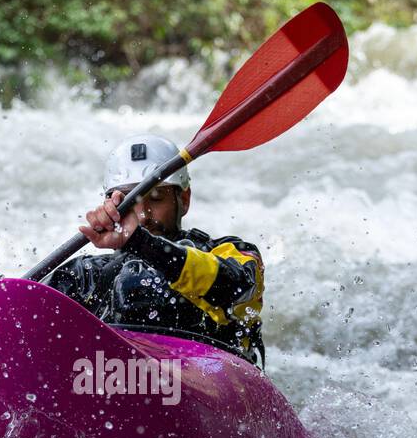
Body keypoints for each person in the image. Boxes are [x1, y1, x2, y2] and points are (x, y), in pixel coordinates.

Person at [45, 134, 266, 365]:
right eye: (129, 203)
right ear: (109, 205)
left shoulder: (230, 252)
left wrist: (141, 242)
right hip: (111, 380)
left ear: (184, 199)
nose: (142, 215)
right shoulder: (85, 276)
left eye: (157, 198)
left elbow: (237, 288)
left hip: (212, 378)